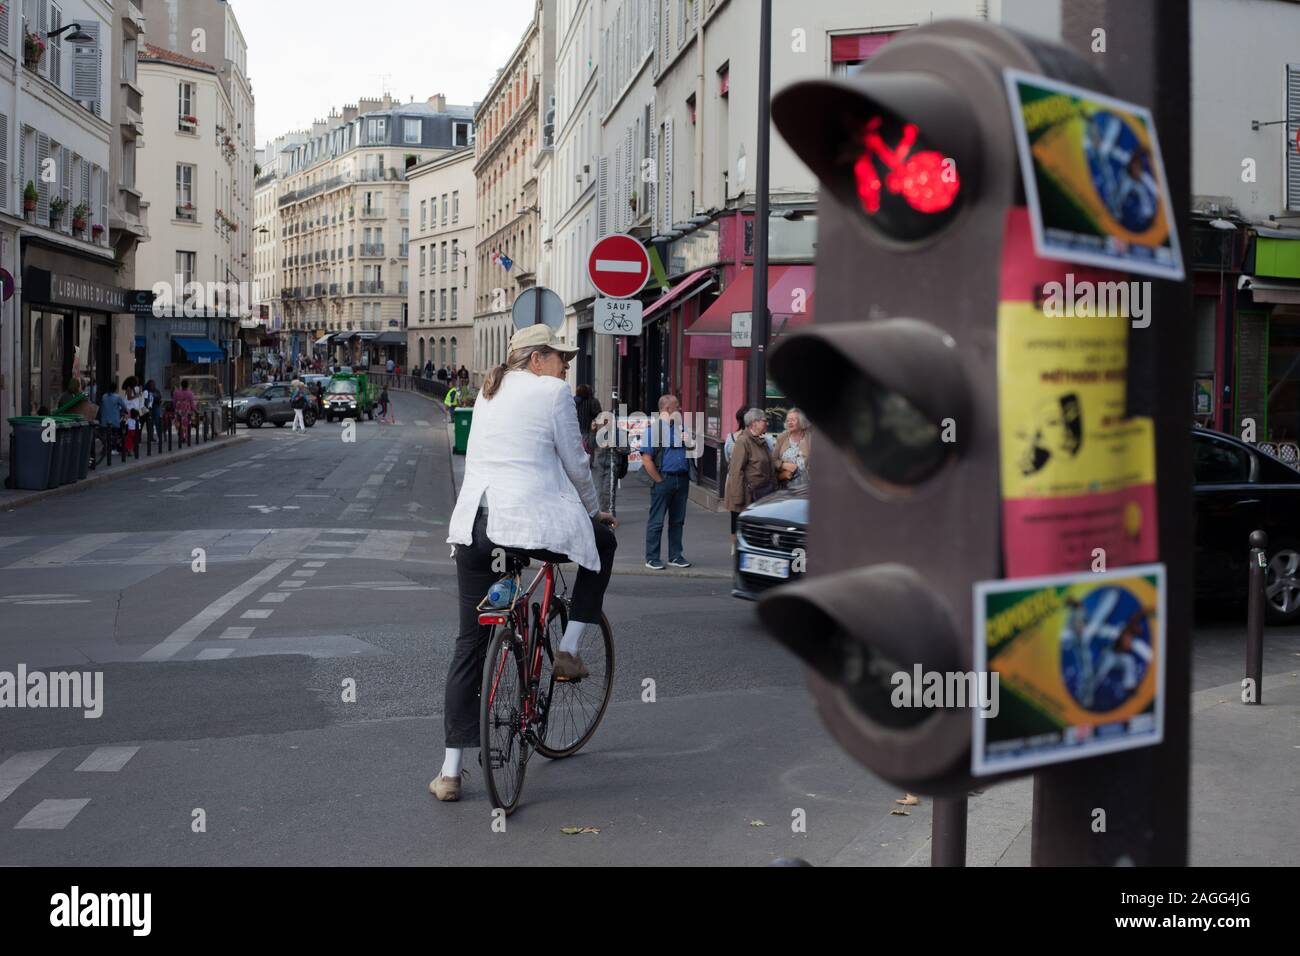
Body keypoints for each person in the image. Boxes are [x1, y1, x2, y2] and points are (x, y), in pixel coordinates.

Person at [433, 324, 618, 803]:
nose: (566, 367)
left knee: (470, 644)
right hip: (528, 527)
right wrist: (595, 511)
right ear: (537, 359)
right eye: (561, 358)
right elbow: (576, 464)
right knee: (602, 545)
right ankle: (568, 649)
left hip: (476, 527)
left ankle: (450, 772)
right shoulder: (551, 391)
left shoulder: (487, 391)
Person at [640, 394, 693, 570]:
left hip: (681, 479)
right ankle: (652, 557)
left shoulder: (681, 428)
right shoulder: (653, 430)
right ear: (668, 409)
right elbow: (646, 459)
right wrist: (659, 480)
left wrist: (689, 442)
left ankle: (675, 556)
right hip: (664, 479)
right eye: (677, 406)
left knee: (678, 521)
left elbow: (691, 448)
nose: (680, 409)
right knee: (657, 521)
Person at [724, 408, 776, 542]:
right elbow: (736, 471)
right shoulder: (743, 441)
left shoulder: (761, 441)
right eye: (764, 420)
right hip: (748, 495)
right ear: (754, 423)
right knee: (747, 533)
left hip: (761, 493)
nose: (767, 423)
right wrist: (737, 498)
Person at [773, 408, 812, 491]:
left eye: (793, 420)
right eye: (788, 420)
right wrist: (783, 465)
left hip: (807, 486)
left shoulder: (810, 438)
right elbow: (772, 460)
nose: (789, 422)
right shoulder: (782, 437)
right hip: (785, 485)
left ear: (801, 421)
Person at [172, 378, 197, 444]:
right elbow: (192, 403)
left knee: (179, 423)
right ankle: (185, 437)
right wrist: (194, 410)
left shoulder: (176, 393)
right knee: (186, 424)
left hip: (179, 411)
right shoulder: (190, 393)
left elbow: (174, 402)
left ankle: (181, 435)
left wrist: (175, 408)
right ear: (188, 385)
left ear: (181, 385)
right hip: (186, 411)